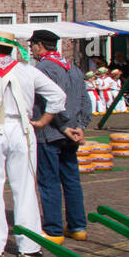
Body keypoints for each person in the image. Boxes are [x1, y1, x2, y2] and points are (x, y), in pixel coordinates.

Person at [0, 30, 67, 257]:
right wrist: (43, 121)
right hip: (22, 128)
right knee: (25, 187)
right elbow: (57, 96)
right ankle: (30, 245)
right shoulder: (27, 70)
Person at [28, 30, 89, 244]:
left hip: (50, 133)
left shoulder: (42, 69)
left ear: (39, 46)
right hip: (72, 133)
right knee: (72, 180)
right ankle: (77, 226)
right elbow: (84, 100)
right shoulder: (73, 68)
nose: (32, 50)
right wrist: (80, 126)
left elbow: (48, 103)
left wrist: (63, 126)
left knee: (49, 182)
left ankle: (53, 230)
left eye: (32, 46)